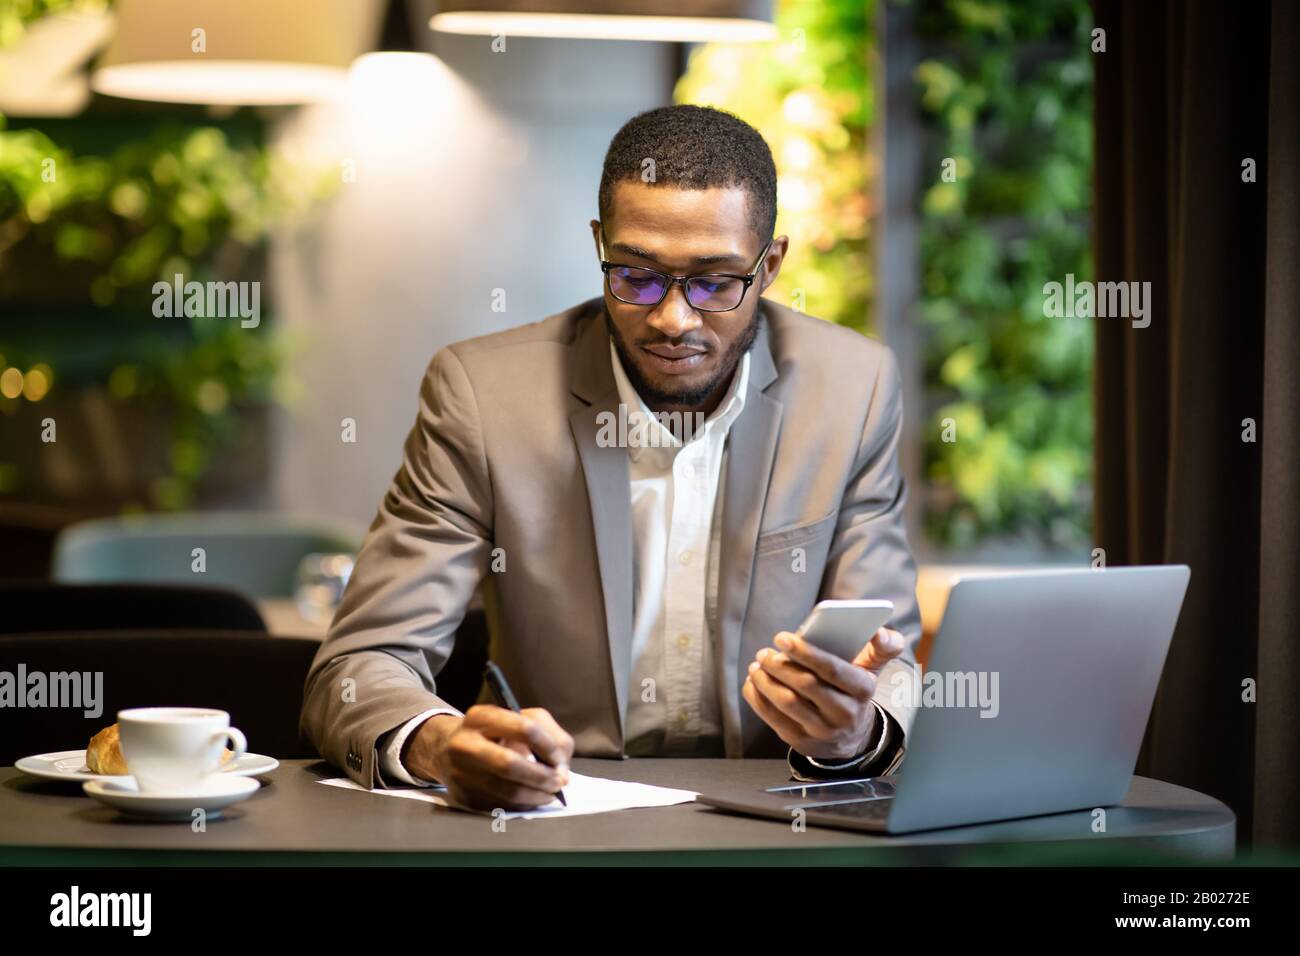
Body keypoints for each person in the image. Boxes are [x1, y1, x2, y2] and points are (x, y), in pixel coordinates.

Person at [300, 104, 921, 811]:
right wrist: (441, 745)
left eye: (716, 282)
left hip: (777, 818)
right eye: (637, 275)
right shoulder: (482, 397)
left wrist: (854, 732)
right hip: (553, 819)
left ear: (770, 265)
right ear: (600, 245)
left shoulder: (853, 389)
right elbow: (359, 664)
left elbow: (889, 658)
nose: (673, 319)